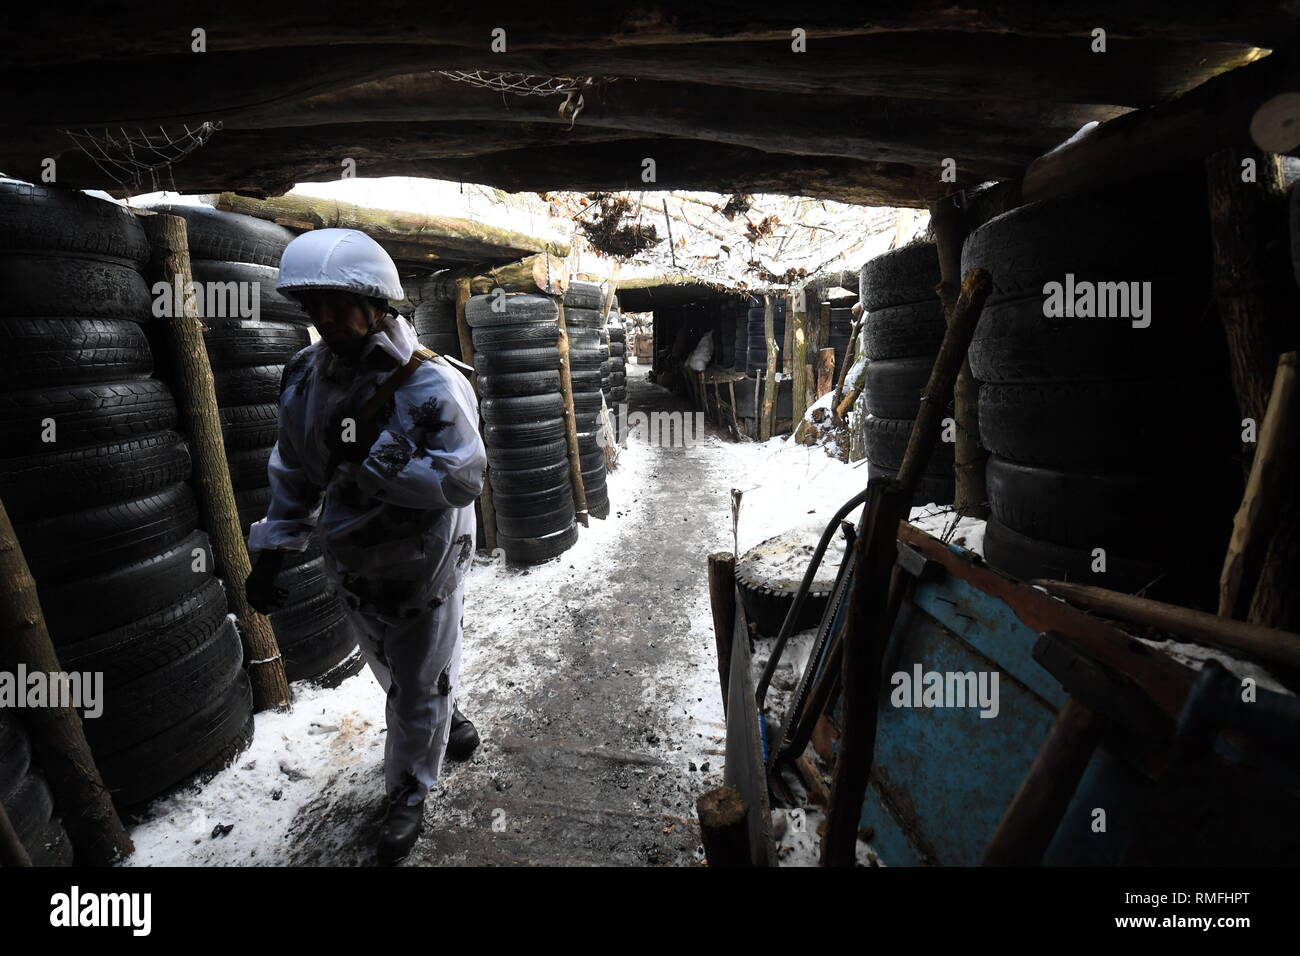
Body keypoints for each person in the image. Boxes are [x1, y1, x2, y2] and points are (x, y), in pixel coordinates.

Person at [244, 228, 487, 864]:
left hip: (423, 557)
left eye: (339, 301)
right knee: (387, 661)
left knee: (411, 683)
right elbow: (294, 468)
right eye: (312, 305)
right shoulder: (303, 376)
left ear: (379, 303)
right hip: (351, 556)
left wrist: (375, 464)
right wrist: (273, 549)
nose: (325, 317)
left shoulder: (430, 384)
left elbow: (462, 479)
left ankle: (407, 791)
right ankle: (446, 713)